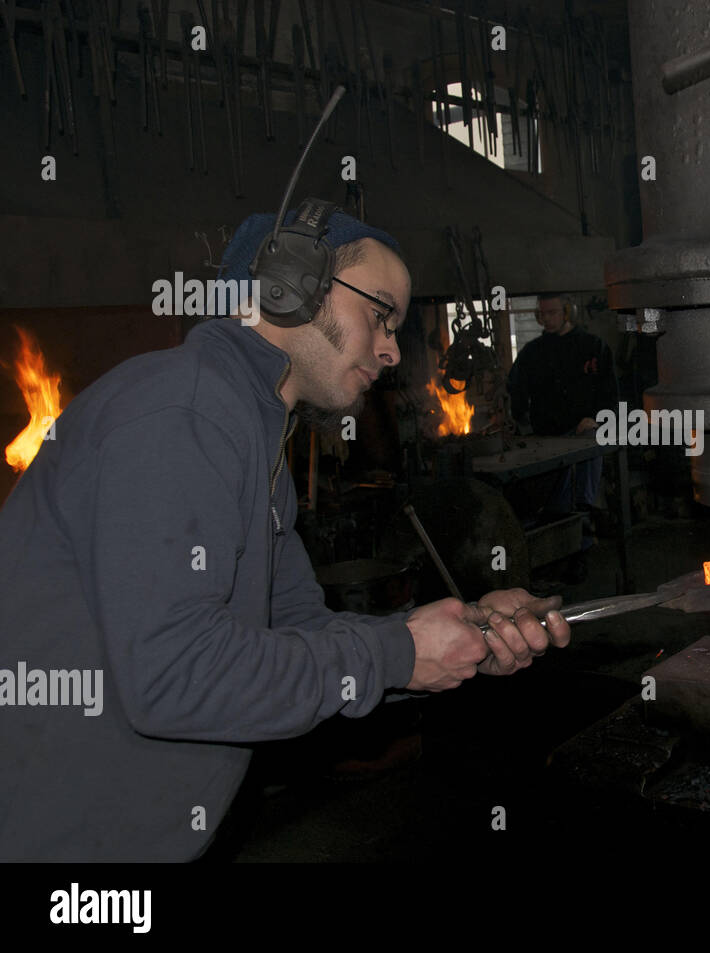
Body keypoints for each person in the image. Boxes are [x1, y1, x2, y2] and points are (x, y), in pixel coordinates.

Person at [0, 208, 570, 861]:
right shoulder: (180, 411)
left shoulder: (252, 438)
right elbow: (173, 676)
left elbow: (292, 628)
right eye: (380, 314)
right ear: (290, 283)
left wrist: (455, 633)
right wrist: (396, 652)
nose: (389, 349)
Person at [507, 294, 618, 514]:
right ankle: (568, 522)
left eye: (552, 313)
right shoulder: (532, 353)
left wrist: (596, 419)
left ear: (567, 312)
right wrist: (521, 423)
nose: (546, 319)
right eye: (541, 314)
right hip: (545, 435)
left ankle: (581, 516)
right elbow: (516, 391)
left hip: (583, 430)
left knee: (584, 460)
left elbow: (610, 393)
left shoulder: (593, 347)